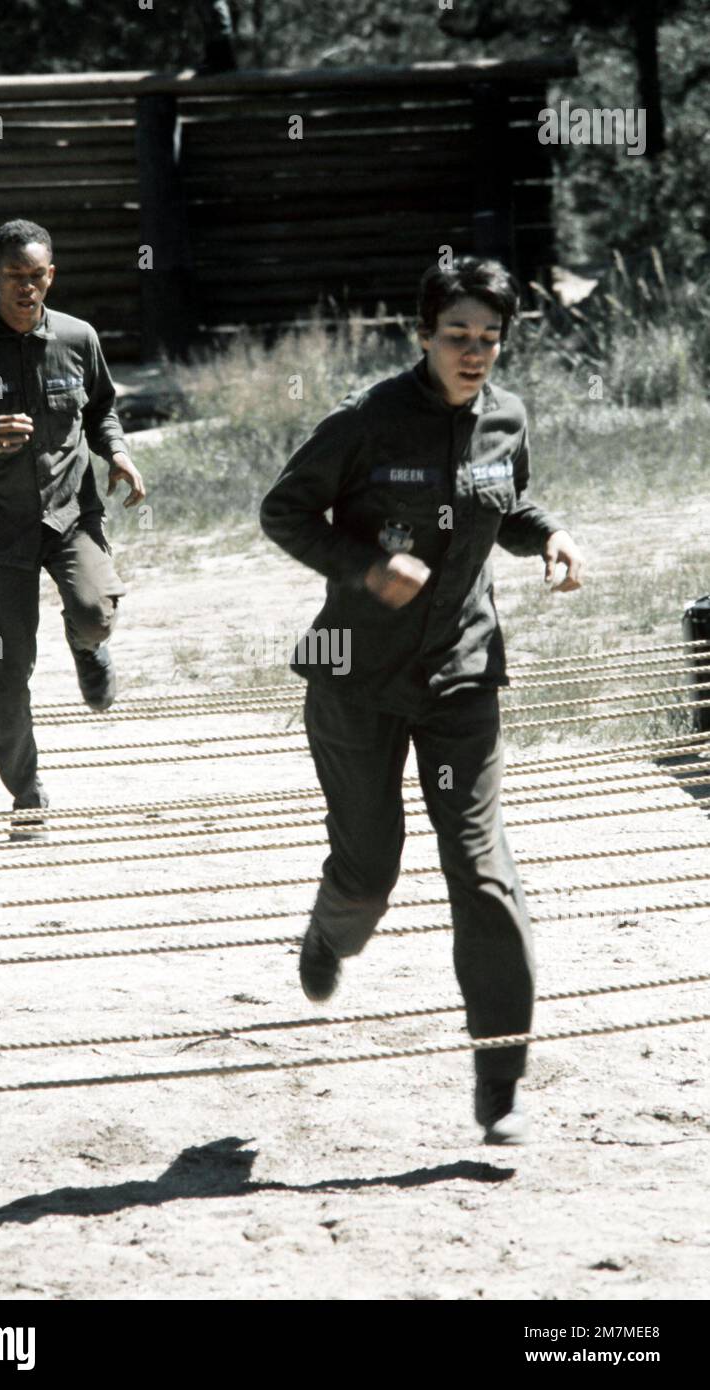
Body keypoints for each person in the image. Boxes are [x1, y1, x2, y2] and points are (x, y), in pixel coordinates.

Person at [259, 256, 584, 1144]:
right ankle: (329, 937)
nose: (474, 352)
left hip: (461, 676)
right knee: (370, 870)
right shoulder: (366, 420)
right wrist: (365, 566)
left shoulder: (508, 418)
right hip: (356, 677)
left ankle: (501, 1079)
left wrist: (549, 535)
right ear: (423, 335)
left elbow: (505, 505)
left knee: (482, 873)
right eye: (457, 335)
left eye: (489, 338)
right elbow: (283, 511)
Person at [0, 219, 145, 840]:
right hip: (0, 532)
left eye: (37, 276)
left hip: (71, 517)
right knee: (6, 676)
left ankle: (88, 646)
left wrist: (116, 452)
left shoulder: (77, 337)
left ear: (51, 276)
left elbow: (101, 410)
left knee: (95, 611)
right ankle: (28, 792)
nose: (26, 287)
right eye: (14, 276)